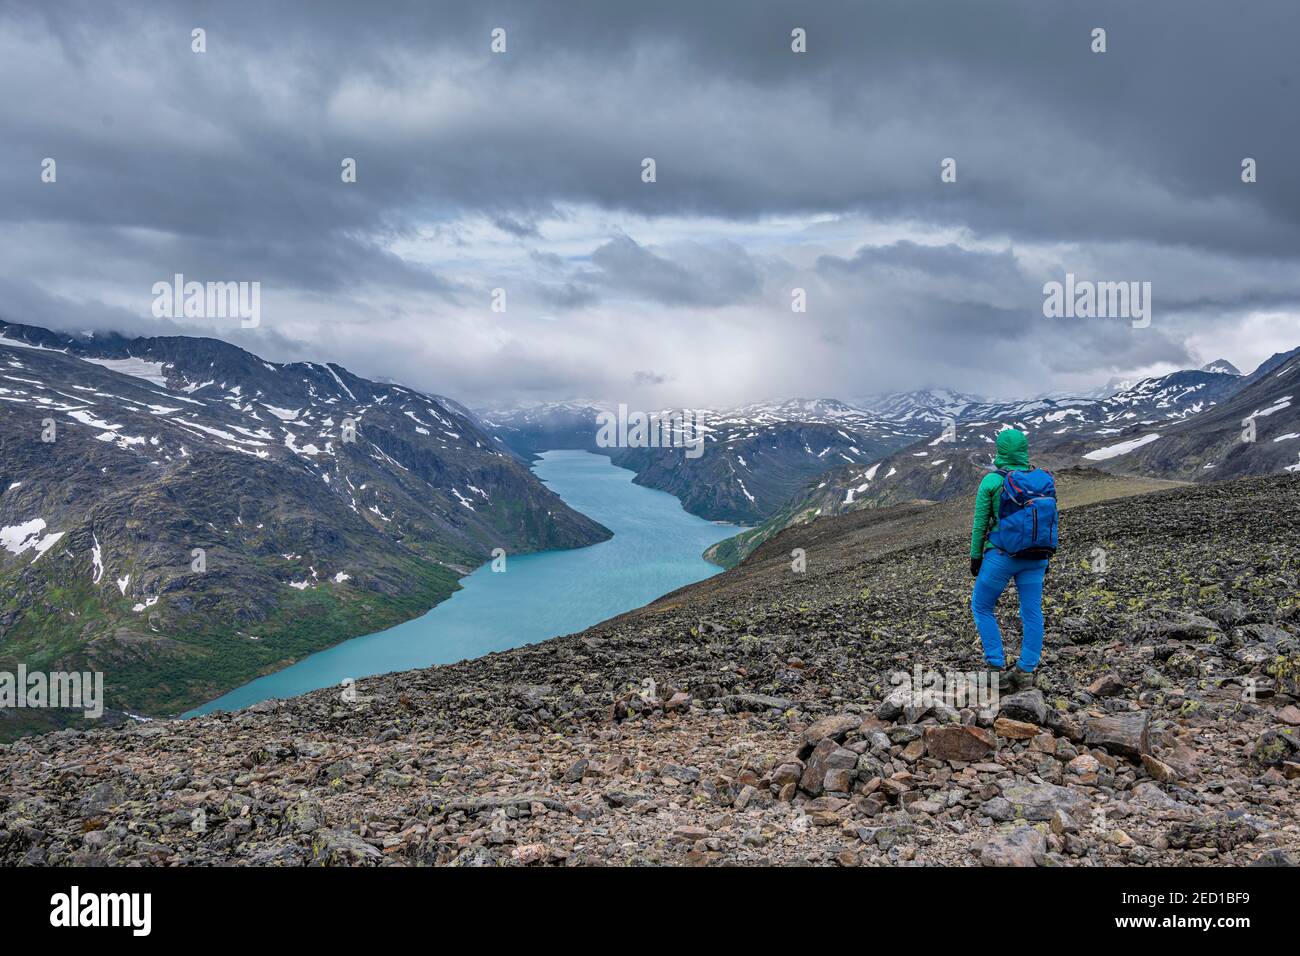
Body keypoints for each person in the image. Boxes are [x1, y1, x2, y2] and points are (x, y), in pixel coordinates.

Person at [969, 428, 1051, 687]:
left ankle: (995, 667)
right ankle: (1025, 671)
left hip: (1002, 556)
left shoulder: (992, 481)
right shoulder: (1042, 479)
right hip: (1037, 556)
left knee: (982, 606)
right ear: (1024, 450)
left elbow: (980, 523)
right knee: (1031, 611)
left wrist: (975, 556)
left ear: (1000, 450)